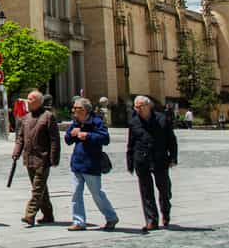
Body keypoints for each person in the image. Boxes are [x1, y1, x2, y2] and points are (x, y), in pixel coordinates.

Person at [64, 97, 119, 231]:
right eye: (74, 108)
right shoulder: (76, 122)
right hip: (77, 163)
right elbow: (68, 140)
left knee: (97, 194)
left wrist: (87, 135)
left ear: (84, 110)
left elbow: (105, 139)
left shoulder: (96, 121)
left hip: (91, 164)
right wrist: (72, 134)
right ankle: (78, 222)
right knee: (76, 194)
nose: (74, 111)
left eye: (76, 108)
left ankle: (111, 217)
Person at [126, 96, 177, 232]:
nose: (138, 109)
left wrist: (173, 157)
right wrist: (130, 162)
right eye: (136, 107)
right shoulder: (134, 122)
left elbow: (171, 139)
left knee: (164, 189)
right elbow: (131, 143)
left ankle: (165, 212)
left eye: (140, 106)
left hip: (159, 159)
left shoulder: (162, 119)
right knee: (146, 191)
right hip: (141, 160)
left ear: (149, 106)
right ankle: (151, 220)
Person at [13, 90, 60, 226]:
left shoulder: (48, 116)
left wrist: (54, 158)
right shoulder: (25, 118)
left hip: (43, 159)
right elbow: (20, 138)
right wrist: (16, 152)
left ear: (39, 102)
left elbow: (54, 139)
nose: (28, 101)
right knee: (41, 188)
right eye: (28, 99)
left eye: (31, 99)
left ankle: (30, 214)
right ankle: (48, 214)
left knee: (37, 189)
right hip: (29, 158)